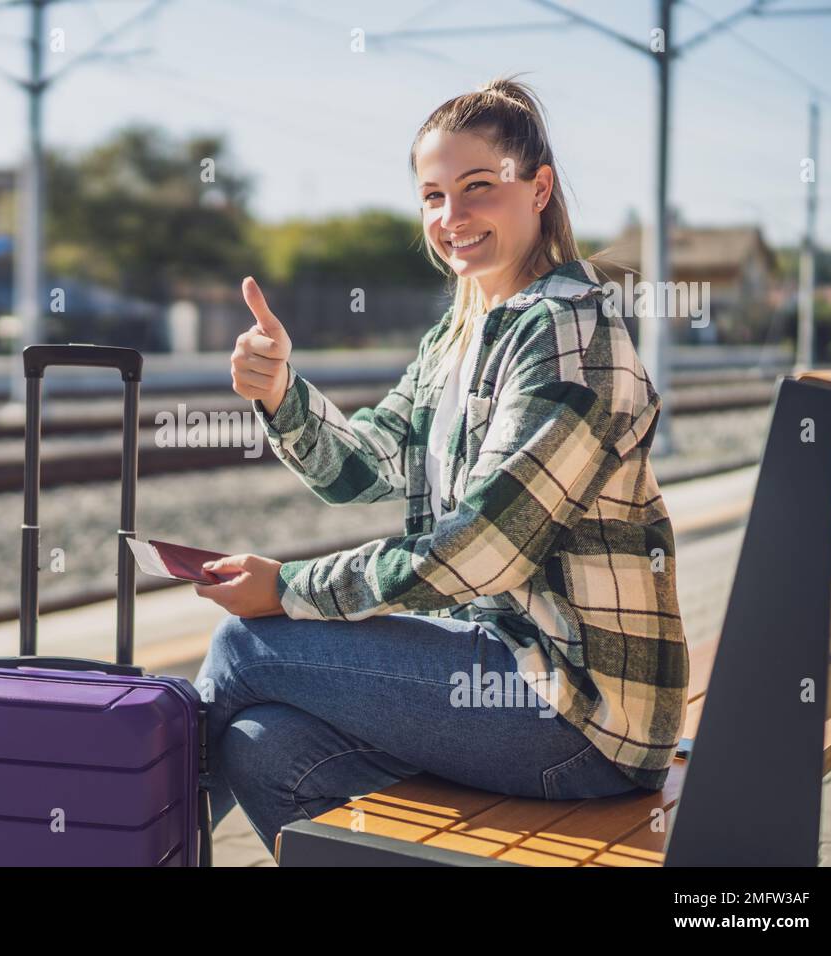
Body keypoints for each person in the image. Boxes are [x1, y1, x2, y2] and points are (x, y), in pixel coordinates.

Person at [189, 76, 689, 856]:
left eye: (477, 188)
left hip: (583, 711)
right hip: (507, 687)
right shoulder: (460, 337)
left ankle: (112, 841)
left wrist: (289, 589)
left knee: (245, 648)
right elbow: (362, 468)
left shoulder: (566, 330)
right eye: (432, 197)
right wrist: (285, 392)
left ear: (539, 188)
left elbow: (485, 548)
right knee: (263, 744)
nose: (451, 218)